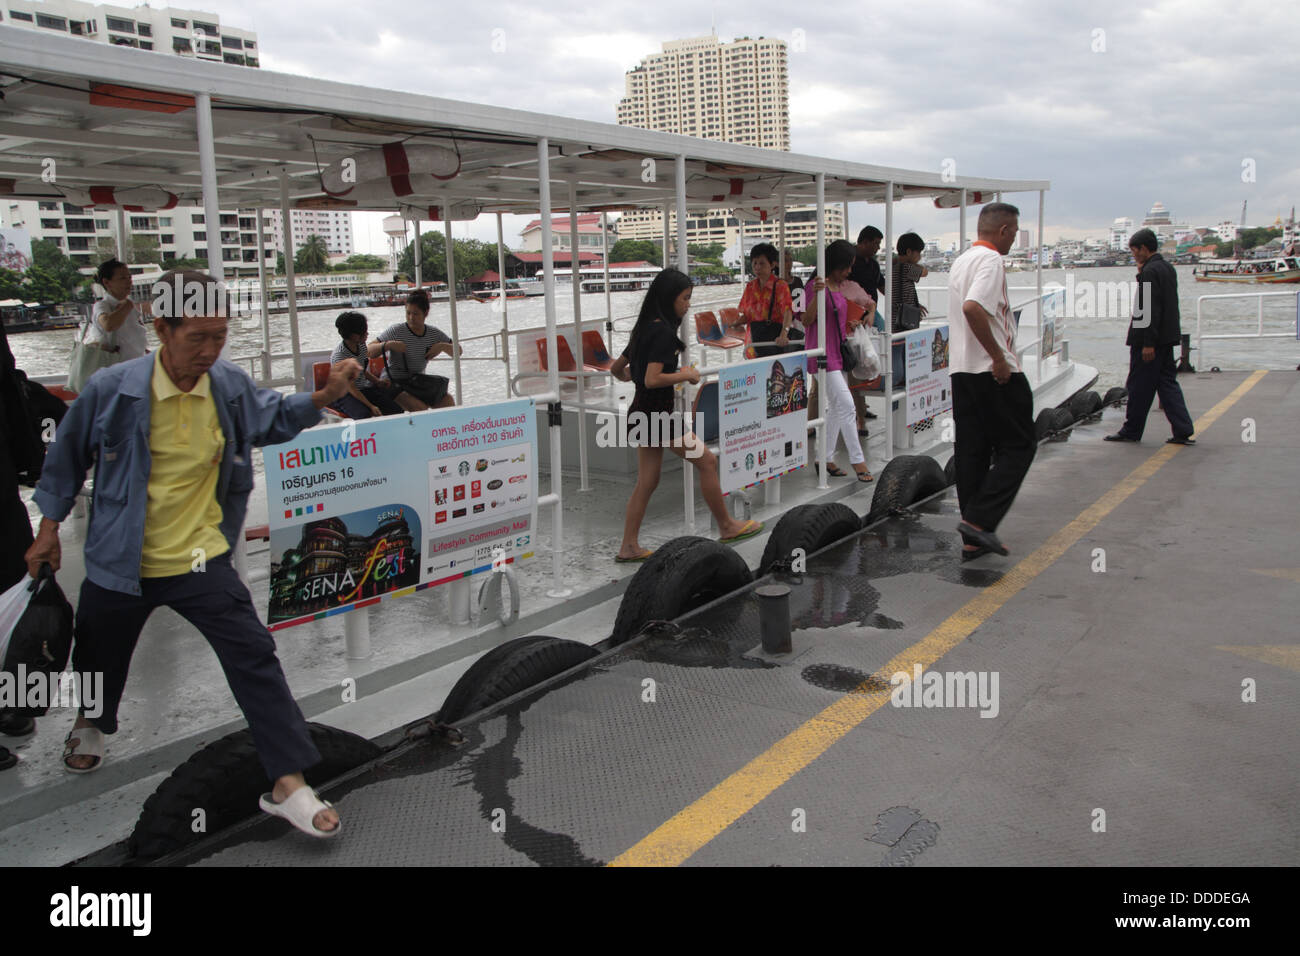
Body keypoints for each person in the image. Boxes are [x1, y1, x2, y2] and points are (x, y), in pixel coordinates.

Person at [25, 270, 359, 837]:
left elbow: (272, 418)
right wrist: (48, 530)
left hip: (200, 559)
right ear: (161, 328)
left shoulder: (226, 385)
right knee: (99, 647)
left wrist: (322, 398)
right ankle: (92, 720)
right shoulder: (112, 390)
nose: (209, 350)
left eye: (219, 336)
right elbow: (65, 460)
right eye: (195, 338)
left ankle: (288, 781)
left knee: (254, 654)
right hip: (118, 559)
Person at [610, 269, 763, 562]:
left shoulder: (643, 328)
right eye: (685, 298)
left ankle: (628, 545)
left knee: (647, 480)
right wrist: (685, 373)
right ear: (669, 299)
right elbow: (655, 378)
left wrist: (634, 376)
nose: (688, 304)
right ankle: (727, 526)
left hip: (641, 412)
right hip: (659, 415)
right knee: (707, 461)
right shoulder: (663, 333)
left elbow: (618, 370)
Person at [947, 202, 1035, 560]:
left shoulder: (961, 261)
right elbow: (972, 307)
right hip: (992, 371)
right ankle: (981, 522)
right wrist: (999, 357)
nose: (1014, 238)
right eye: (1013, 232)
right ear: (1002, 231)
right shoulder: (991, 261)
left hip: (962, 370)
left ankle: (972, 535)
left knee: (973, 450)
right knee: (1020, 445)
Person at [1104, 229, 1195, 445]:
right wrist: (1140, 272)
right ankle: (1183, 428)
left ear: (1144, 248)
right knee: (1167, 384)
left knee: (1138, 386)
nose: (1133, 255)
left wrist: (1147, 343)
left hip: (1149, 341)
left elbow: (1148, 309)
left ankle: (1131, 430)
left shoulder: (1149, 272)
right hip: (1166, 339)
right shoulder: (1166, 268)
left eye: (1134, 251)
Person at [802, 239, 873, 483]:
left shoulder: (838, 287)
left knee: (835, 407)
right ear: (834, 265)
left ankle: (825, 457)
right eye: (845, 267)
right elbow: (807, 319)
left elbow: (835, 320)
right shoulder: (816, 285)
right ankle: (857, 460)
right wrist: (817, 294)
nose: (849, 271)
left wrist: (852, 324)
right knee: (847, 405)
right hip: (821, 354)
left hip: (836, 353)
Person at [370, 290, 457, 411]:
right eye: (408, 313)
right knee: (419, 408)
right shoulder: (396, 330)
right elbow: (369, 350)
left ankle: (443, 429)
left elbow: (458, 352)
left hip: (417, 382)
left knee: (448, 401)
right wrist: (388, 345)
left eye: (416, 314)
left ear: (425, 313)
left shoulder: (433, 333)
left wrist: (442, 346)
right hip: (393, 382)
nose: (411, 318)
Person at [329, 311, 404, 418]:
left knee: (395, 410)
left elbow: (362, 370)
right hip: (344, 393)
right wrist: (371, 406)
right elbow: (351, 387)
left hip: (363, 389)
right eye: (364, 331)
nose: (367, 334)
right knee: (363, 414)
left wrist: (377, 381)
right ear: (354, 335)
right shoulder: (340, 356)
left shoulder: (361, 346)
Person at [737, 243, 795, 356]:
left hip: (773, 343)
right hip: (752, 344)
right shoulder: (750, 287)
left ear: (772, 264)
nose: (757, 267)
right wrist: (734, 324)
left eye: (762, 263)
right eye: (755, 263)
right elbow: (746, 315)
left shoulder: (780, 285)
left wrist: (784, 334)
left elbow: (788, 312)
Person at [87, 258, 151, 361]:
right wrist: (127, 306)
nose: (129, 281)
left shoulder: (130, 307)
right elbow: (108, 324)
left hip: (134, 366)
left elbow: (135, 338)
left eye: (129, 277)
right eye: (122, 278)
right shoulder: (102, 306)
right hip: (115, 369)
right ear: (107, 282)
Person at [892, 232, 930, 331]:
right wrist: (915, 264)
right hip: (904, 320)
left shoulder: (894, 267)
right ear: (909, 252)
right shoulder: (907, 267)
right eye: (918, 253)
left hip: (894, 317)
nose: (920, 257)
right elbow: (925, 272)